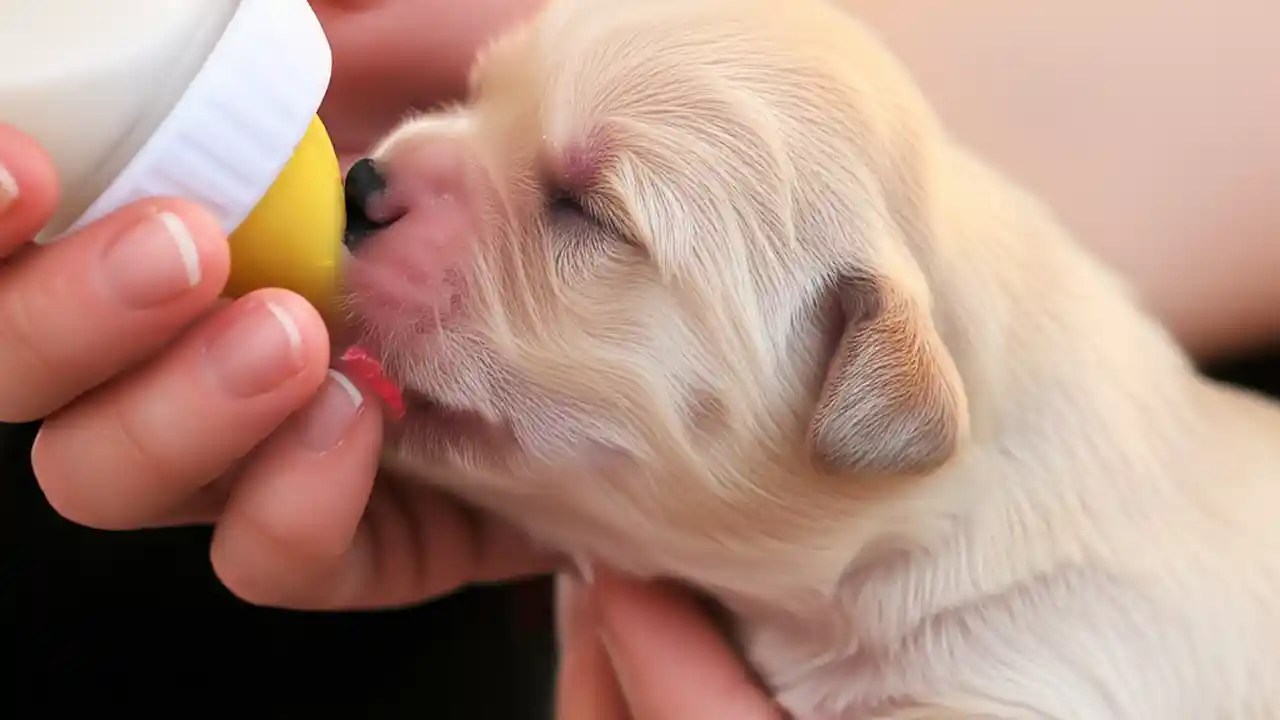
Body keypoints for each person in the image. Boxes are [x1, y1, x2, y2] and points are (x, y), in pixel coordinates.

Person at [3, 0, 1277, 716]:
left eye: (585, 214)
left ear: (866, 386)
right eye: (481, 102)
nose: (391, 172)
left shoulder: (1089, 646)